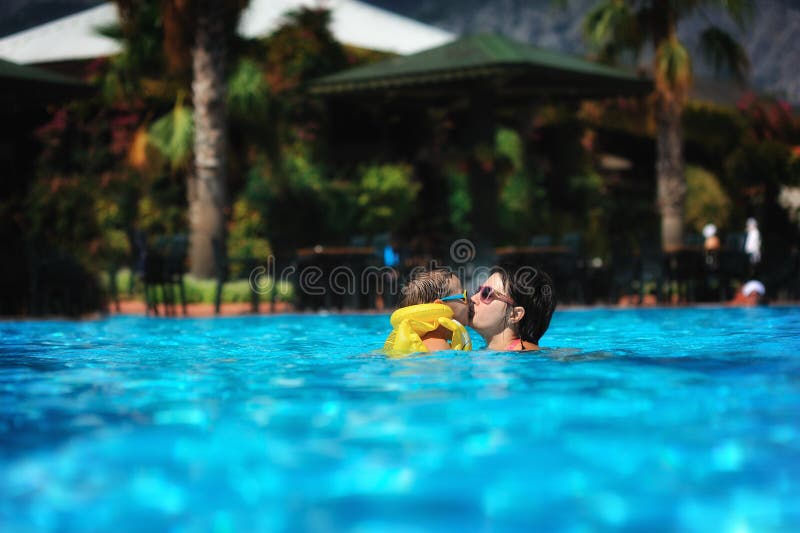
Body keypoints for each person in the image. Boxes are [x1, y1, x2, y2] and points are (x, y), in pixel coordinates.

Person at [383, 268, 472, 354]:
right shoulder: (438, 347)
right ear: (439, 307)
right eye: (463, 296)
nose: (470, 299)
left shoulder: (427, 342)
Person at [469, 264, 556, 351]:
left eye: (486, 293)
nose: (472, 298)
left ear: (515, 314)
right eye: (478, 290)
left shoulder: (525, 352)